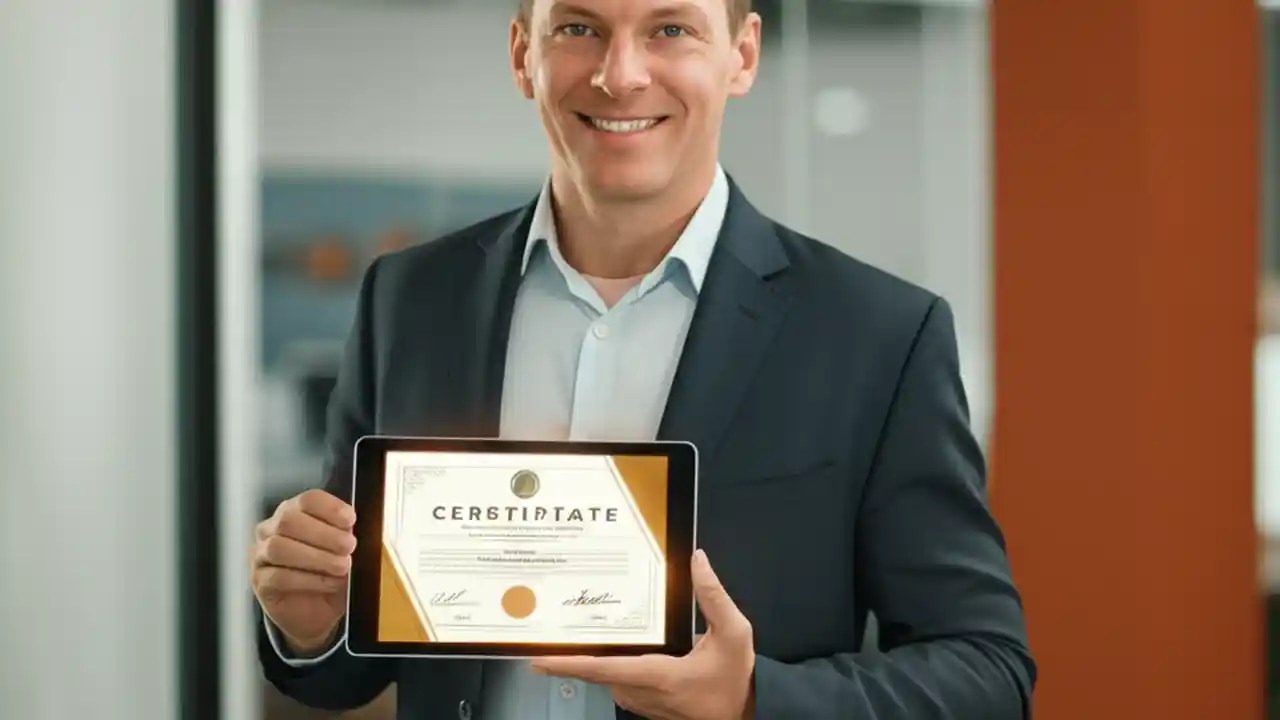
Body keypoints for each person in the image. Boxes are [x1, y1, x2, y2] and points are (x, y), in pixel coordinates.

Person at [250, 0, 1036, 717]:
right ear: (523, 53)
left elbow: (987, 673)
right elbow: (355, 658)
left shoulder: (878, 336)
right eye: (578, 28)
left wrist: (756, 698)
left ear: (743, 55)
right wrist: (311, 622)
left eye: (671, 29)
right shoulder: (411, 298)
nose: (620, 74)